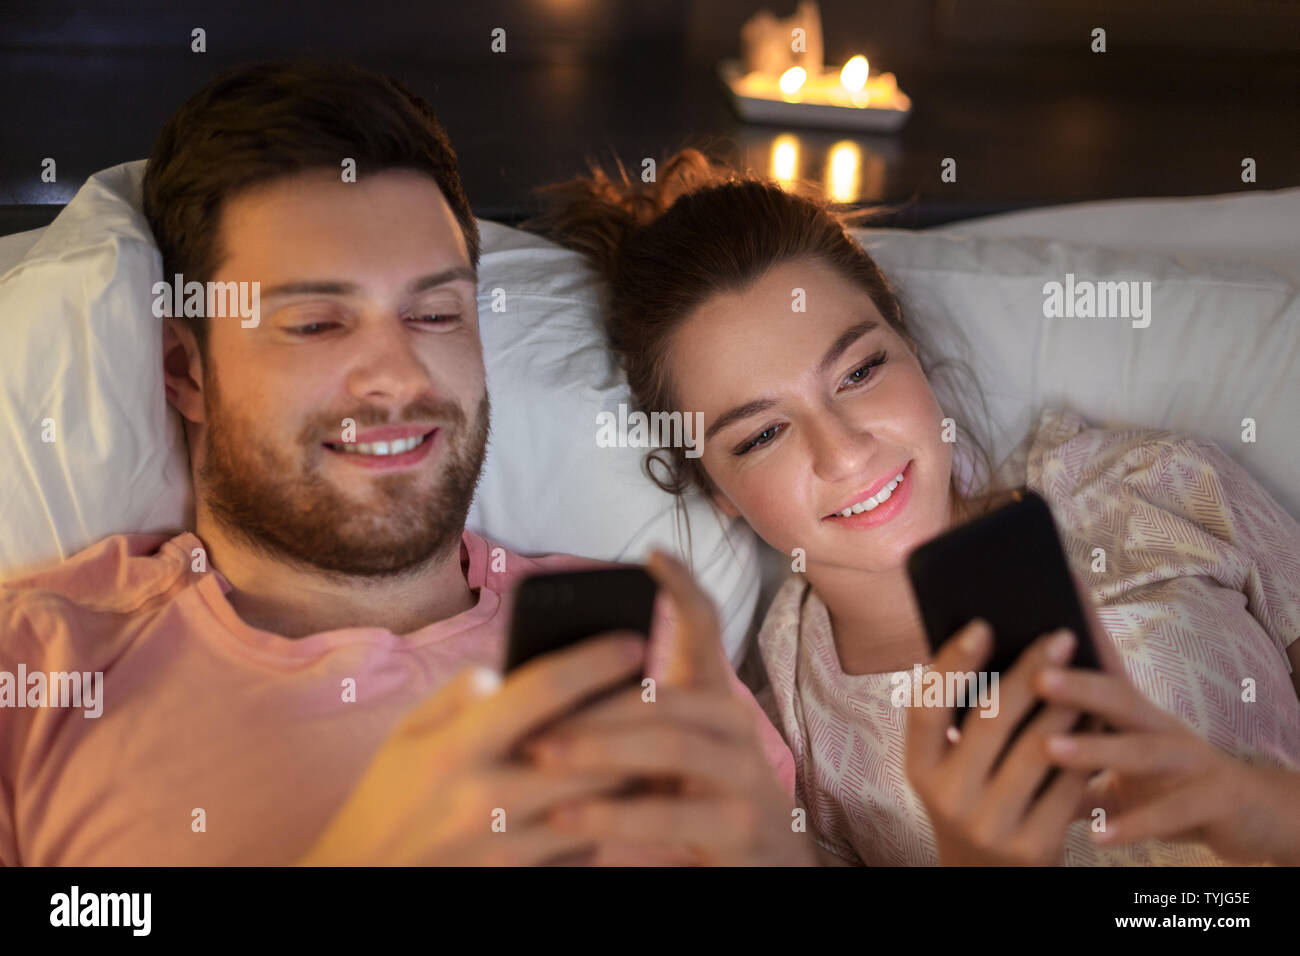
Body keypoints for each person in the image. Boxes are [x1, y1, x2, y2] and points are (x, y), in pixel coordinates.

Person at [0, 62, 810, 867]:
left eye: (432, 313)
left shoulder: (648, 650)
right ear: (188, 373)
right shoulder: (39, 668)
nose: (398, 372)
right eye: (315, 323)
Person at [528, 149, 1300, 865]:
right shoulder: (791, 746)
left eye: (860, 371)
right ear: (717, 493)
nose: (844, 452)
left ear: (910, 349)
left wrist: (1264, 812)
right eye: (762, 433)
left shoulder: (1156, 483)